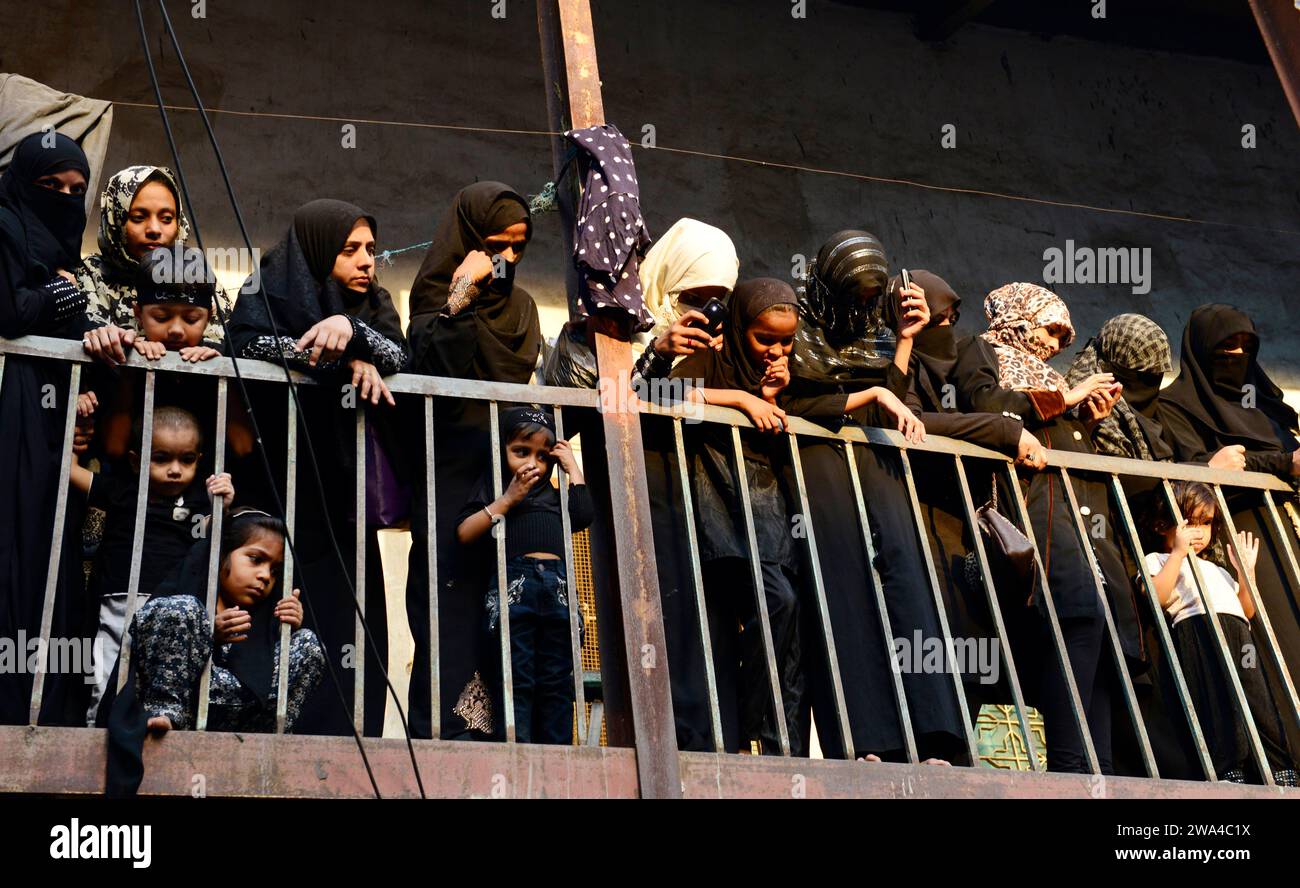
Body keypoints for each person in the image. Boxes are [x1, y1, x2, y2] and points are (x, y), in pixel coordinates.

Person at [780, 231, 962, 765]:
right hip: (817, 457)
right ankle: (867, 742)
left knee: (908, 580)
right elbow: (796, 400)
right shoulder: (798, 322)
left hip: (874, 454)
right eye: (853, 294)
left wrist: (904, 338)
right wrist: (875, 392)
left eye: (870, 296)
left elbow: (890, 401)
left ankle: (935, 737)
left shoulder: (875, 327)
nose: (861, 305)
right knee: (844, 587)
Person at [226, 198, 407, 737]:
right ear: (317, 250)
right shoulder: (270, 289)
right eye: (350, 250)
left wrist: (350, 333)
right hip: (274, 489)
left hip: (342, 494)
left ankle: (345, 748)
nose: (367, 261)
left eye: (371, 249)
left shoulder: (373, 305)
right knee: (269, 609)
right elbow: (242, 342)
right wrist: (329, 357)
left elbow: (400, 357)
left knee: (346, 620)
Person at [951, 281, 1142, 774]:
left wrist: (1089, 421)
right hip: (1042, 532)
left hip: (1084, 543)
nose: (1057, 344)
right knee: (1072, 624)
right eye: (1051, 329)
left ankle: (1094, 776)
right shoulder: (983, 350)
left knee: (1096, 639)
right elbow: (990, 408)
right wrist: (1067, 394)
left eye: (1065, 335)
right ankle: (1072, 775)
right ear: (1018, 318)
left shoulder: (1043, 379)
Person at [403, 182, 538, 740]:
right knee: (446, 619)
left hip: (507, 484)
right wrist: (461, 294)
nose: (507, 259)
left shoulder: (524, 308)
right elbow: (438, 371)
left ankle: (507, 754)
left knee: (505, 624)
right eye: (494, 245)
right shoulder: (435, 291)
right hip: (446, 480)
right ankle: (441, 747)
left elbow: (519, 392)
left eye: (519, 247)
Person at [663, 277, 806, 754]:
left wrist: (771, 398)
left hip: (769, 512)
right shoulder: (712, 362)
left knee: (787, 619)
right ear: (742, 326)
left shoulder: (785, 375)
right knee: (772, 602)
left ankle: (773, 741)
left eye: (786, 341)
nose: (776, 350)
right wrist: (741, 399)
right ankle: (740, 730)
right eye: (764, 338)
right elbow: (660, 394)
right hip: (722, 506)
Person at [105, 509, 326, 796]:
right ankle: (165, 713)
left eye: (274, 570)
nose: (264, 576)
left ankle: (274, 738)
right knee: (181, 607)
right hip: (184, 705)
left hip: (243, 715)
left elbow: (262, 677)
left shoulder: (264, 619)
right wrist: (208, 634)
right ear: (222, 555)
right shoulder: (186, 596)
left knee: (309, 643)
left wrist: (287, 631)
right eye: (256, 559)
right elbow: (148, 629)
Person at [0, 131, 98, 725]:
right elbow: (11, 310)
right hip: (12, 417)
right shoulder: (5, 226)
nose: (64, 198)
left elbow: (66, 319)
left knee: (45, 551)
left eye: (75, 190)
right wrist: (57, 298)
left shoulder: (65, 249)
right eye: (50, 187)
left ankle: (38, 712)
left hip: (45, 424)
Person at [68, 404, 232, 723]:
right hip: (119, 599)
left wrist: (223, 504)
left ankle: (157, 731)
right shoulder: (122, 491)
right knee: (107, 670)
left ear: (199, 461)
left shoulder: (199, 501)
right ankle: (95, 729)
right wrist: (77, 437)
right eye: (161, 459)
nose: (174, 469)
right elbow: (69, 473)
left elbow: (218, 537)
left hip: (172, 606)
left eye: (186, 460)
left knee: (162, 677)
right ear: (135, 460)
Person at [456, 407, 593, 743]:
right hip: (515, 588)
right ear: (501, 450)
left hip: (558, 590)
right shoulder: (497, 486)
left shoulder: (553, 497)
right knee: (517, 679)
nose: (533, 463)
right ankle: (519, 756)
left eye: (543, 456)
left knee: (557, 682)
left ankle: (558, 758)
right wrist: (508, 499)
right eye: (521, 452)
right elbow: (464, 532)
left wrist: (572, 466)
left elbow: (583, 514)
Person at [1144, 481, 1296, 785]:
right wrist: (1177, 554)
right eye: (1190, 523)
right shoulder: (1158, 560)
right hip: (1198, 630)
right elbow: (1156, 597)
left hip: (1238, 631)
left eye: (1206, 523)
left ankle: (1279, 768)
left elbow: (1247, 610)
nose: (1199, 532)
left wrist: (1245, 573)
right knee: (1217, 700)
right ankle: (1229, 769)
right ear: (1163, 526)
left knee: (1258, 699)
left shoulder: (1218, 569)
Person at [78, 165, 231, 364]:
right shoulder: (91, 273)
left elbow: (227, 347)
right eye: (138, 218)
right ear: (115, 218)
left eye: (167, 219)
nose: (154, 229)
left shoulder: (195, 273)